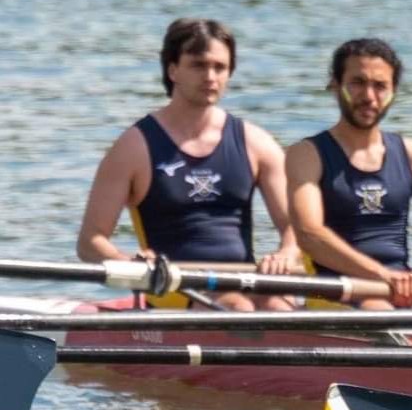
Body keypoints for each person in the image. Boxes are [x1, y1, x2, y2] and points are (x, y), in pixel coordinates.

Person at [77, 17, 301, 310]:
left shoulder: (256, 143)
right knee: (238, 308)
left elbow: (297, 228)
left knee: (277, 306)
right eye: (198, 65)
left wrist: (286, 252)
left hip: (243, 279)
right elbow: (90, 241)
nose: (210, 76)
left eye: (219, 67)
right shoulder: (134, 147)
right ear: (173, 70)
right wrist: (130, 263)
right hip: (172, 286)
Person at [284, 38, 412, 309]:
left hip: (398, 286)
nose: (369, 96)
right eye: (358, 83)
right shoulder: (307, 154)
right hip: (335, 290)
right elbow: (309, 234)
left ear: (393, 91)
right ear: (335, 86)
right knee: (380, 309)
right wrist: (381, 275)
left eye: (380, 86)